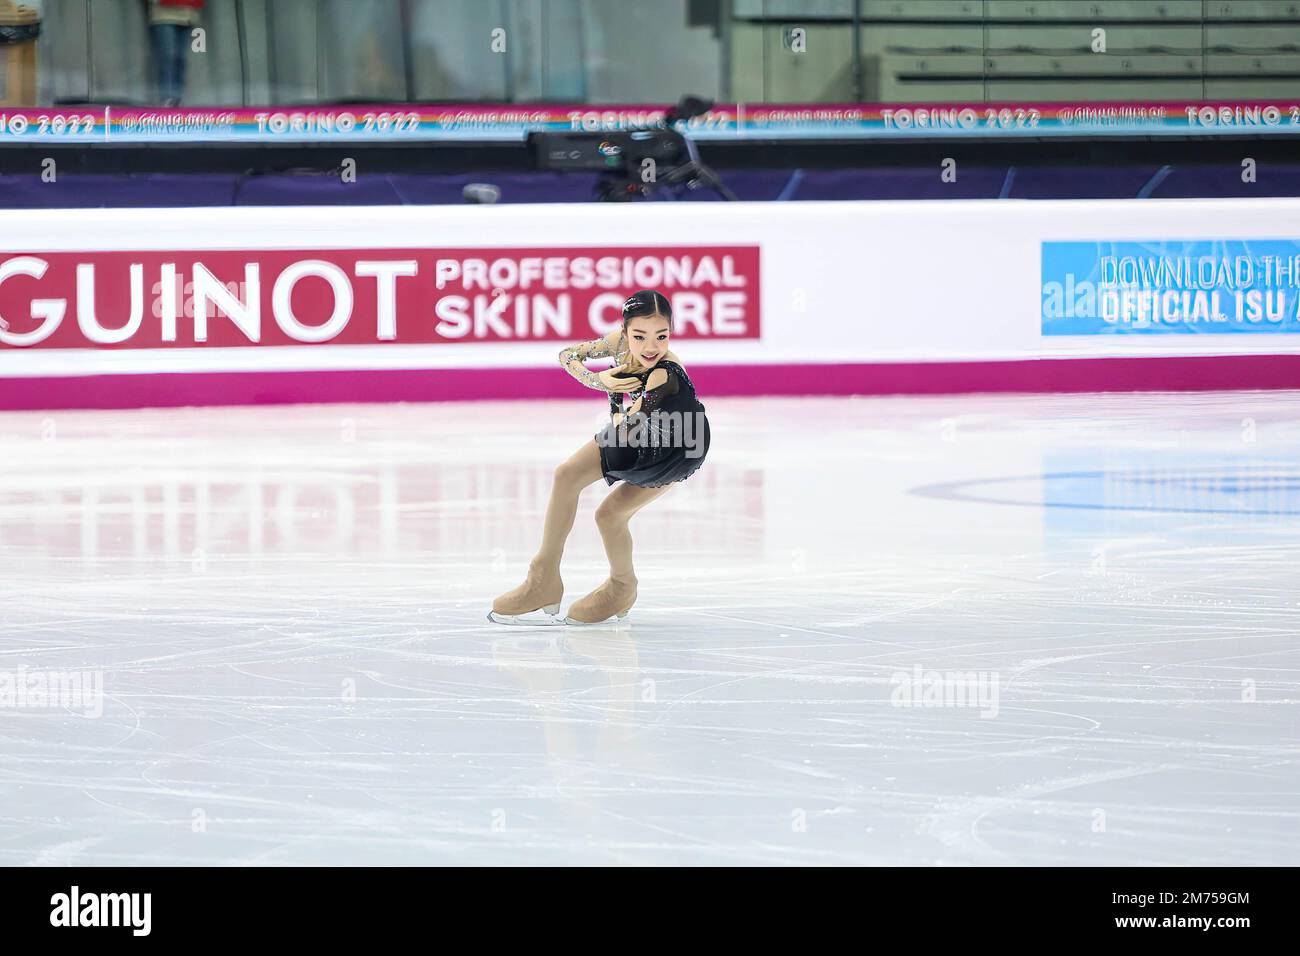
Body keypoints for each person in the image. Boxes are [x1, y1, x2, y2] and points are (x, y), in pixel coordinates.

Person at [490, 290, 711, 626]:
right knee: (587, 495)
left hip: (677, 443)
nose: (651, 347)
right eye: (639, 336)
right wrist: (599, 380)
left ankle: (590, 583)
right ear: (624, 333)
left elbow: (628, 424)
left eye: (661, 336)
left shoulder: (663, 374)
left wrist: (602, 383)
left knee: (589, 496)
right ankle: (566, 581)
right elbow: (567, 355)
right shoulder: (617, 344)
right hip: (651, 432)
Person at [148, 0, 203, 107]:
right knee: (167, 58)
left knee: (180, 59)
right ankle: (166, 98)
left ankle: (178, 99)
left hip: (187, 16)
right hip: (164, 15)